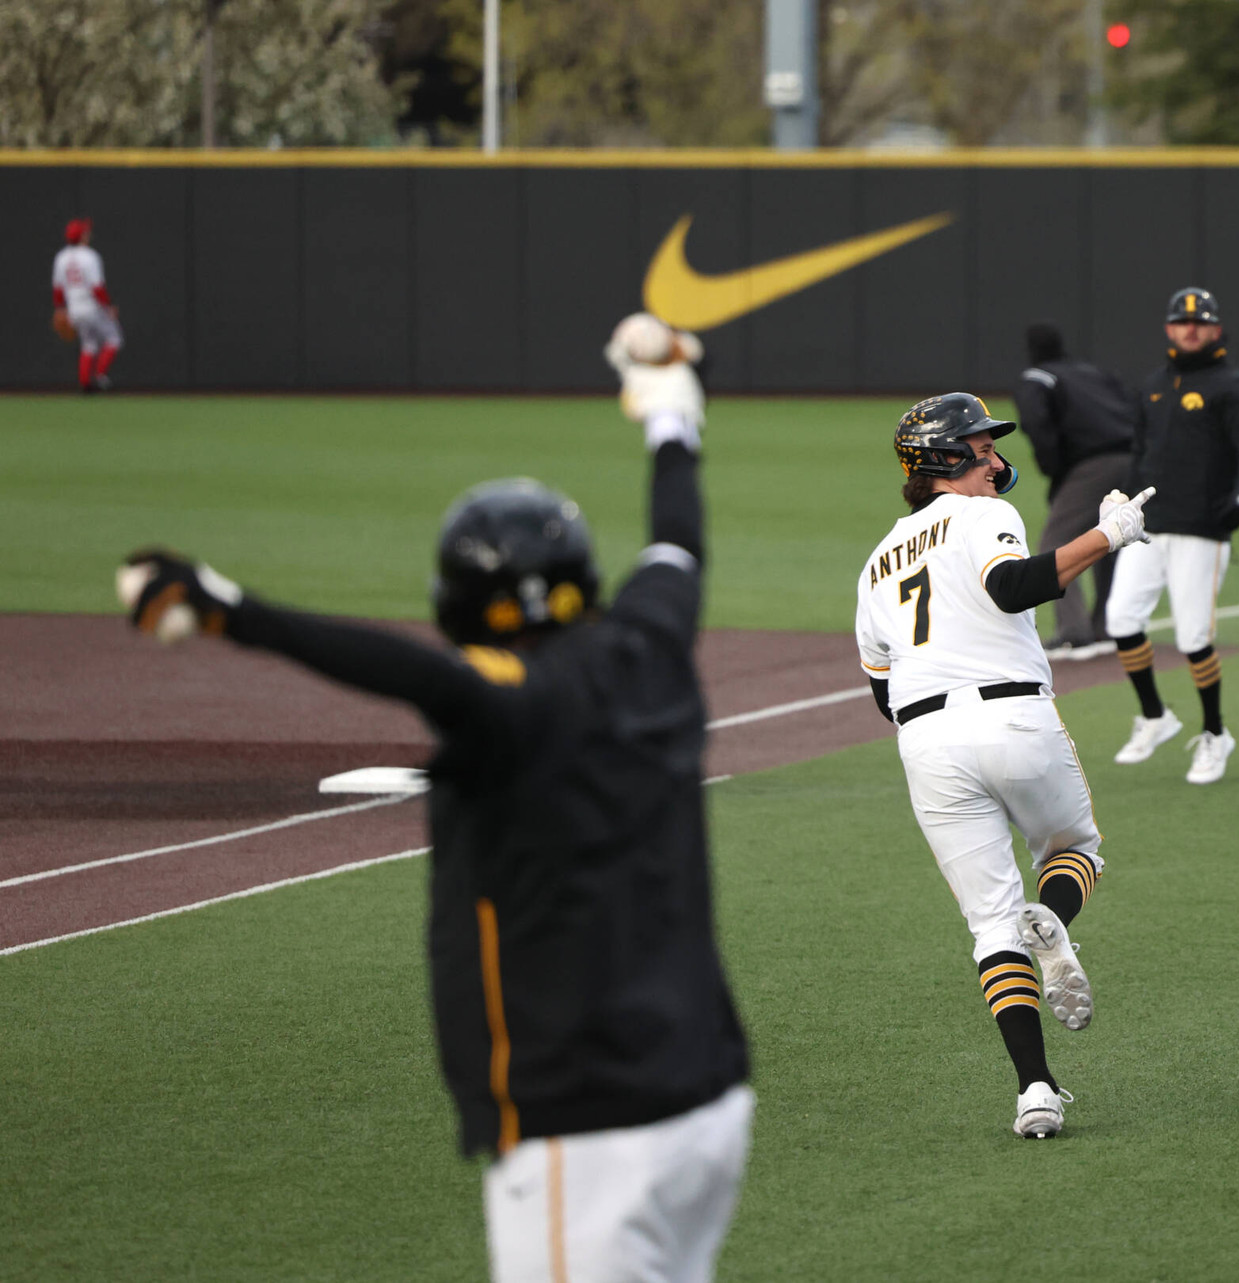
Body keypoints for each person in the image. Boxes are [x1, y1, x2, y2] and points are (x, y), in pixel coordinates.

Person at [116, 314, 748, 1283]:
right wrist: (672, 418)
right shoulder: (651, 644)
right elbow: (678, 540)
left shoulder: (507, 706)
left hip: (586, 1123)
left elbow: (415, 674)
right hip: (706, 1100)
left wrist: (226, 608)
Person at [854, 392, 1154, 1139]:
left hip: (925, 741)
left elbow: (882, 691)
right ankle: (1052, 920)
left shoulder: (874, 564)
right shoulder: (984, 515)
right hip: (1013, 714)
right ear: (942, 459)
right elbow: (1014, 586)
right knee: (1074, 850)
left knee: (990, 925)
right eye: (979, 445)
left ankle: (1036, 1091)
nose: (993, 458)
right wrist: (1106, 534)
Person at [1107, 286, 1239, 786]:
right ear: (1169, 329)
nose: (1191, 328)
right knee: (1120, 618)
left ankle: (1215, 734)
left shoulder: (1232, 386)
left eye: (1200, 322)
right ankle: (1156, 717)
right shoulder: (1154, 384)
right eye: (1182, 321)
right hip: (1149, 527)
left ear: (1216, 329)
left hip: (1203, 528)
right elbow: (1140, 452)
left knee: (1192, 637)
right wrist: (1127, 497)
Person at [1011, 322, 1137, 657]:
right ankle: (1107, 626)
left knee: (1057, 541)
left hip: (1092, 462)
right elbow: (1135, 407)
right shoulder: (1093, 372)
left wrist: (1053, 468)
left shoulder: (1037, 377)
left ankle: (1073, 631)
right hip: (1132, 458)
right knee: (1111, 537)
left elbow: (1037, 423)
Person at [52, 218, 123, 393]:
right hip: (92, 307)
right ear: (82, 236)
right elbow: (97, 287)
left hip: (74, 309)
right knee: (114, 339)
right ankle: (100, 377)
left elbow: (58, 289)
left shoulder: (61, 257)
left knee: (88, 344)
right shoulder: (90, 256)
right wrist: (109, 306)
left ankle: (85, 383)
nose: (88, 234)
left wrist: (60, 309)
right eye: (86, 232)